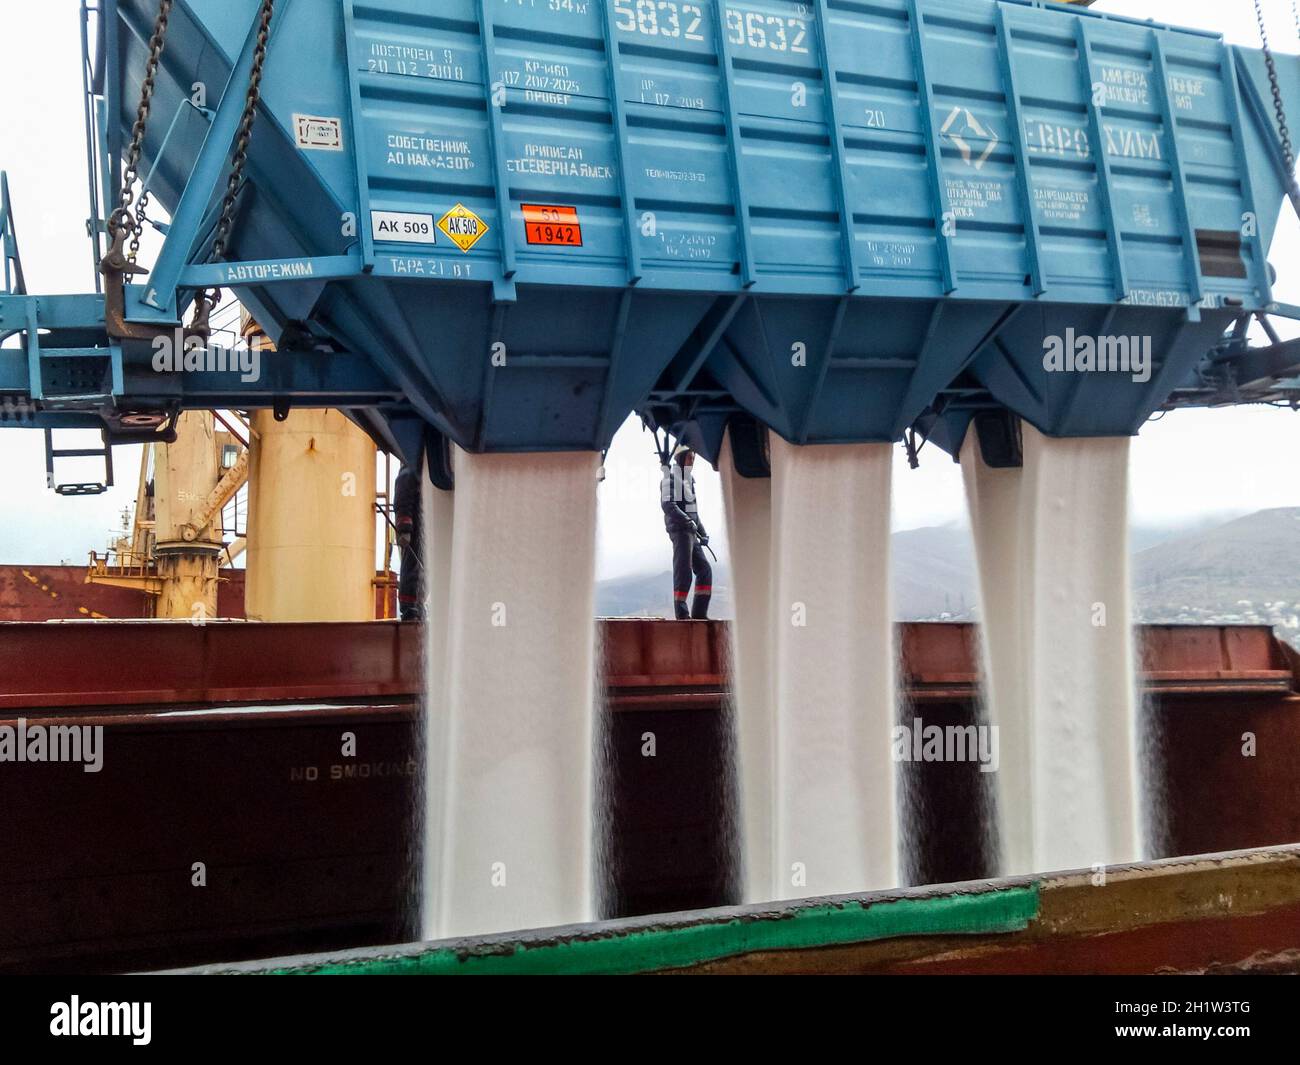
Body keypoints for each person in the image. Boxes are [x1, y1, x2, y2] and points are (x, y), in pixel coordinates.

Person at [661, 445, 712, 620]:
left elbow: (694, 513)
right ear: (681, 458)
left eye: (694, 458)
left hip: (691, 531)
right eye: (690, 458)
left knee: (705, 570)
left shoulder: (689, 481)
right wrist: (687, 521)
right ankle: (682, 614)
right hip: (681, 531)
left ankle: (699, 614)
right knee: (683, 572)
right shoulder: (669, 479)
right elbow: (668, 506)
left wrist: (703, 532)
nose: (692, 461)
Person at [393, 463, 424, 621]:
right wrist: (404, 526)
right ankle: (410, 607)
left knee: (422, 567)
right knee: (413, 565)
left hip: (423, 526)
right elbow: (402, 493)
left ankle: (417, 605)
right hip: (415, 527)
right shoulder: (411, 464)